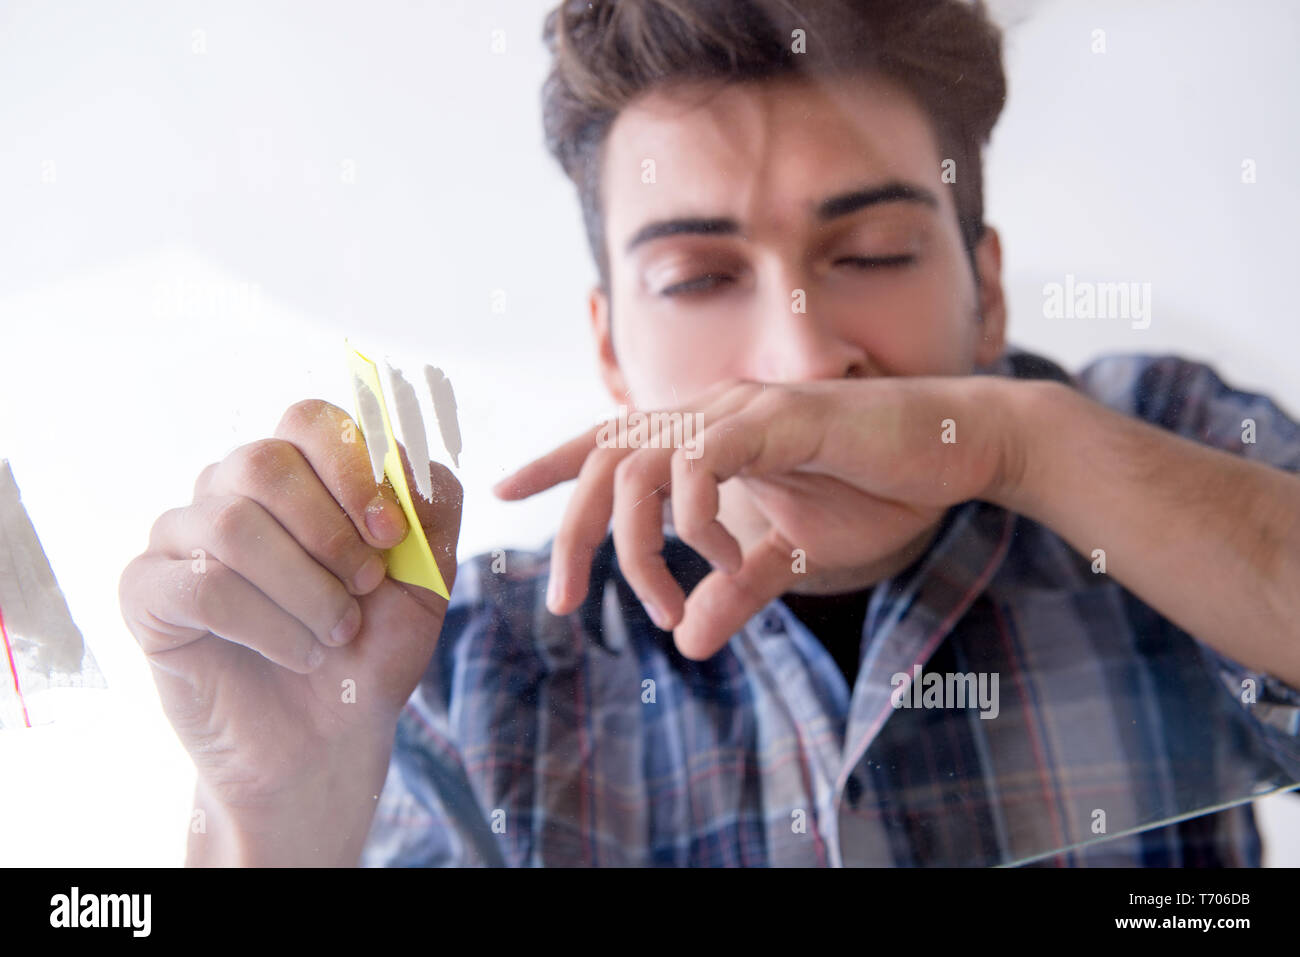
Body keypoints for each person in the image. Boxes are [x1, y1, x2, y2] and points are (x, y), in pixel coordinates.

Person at [118, 0, 1300, 867]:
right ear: (611, 351)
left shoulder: (1163, 442)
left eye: (873, 254)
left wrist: (1019, 445)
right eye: (696, 278)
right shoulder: (467, 673)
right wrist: (273, 822)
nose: (801, 360)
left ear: (986, 290)